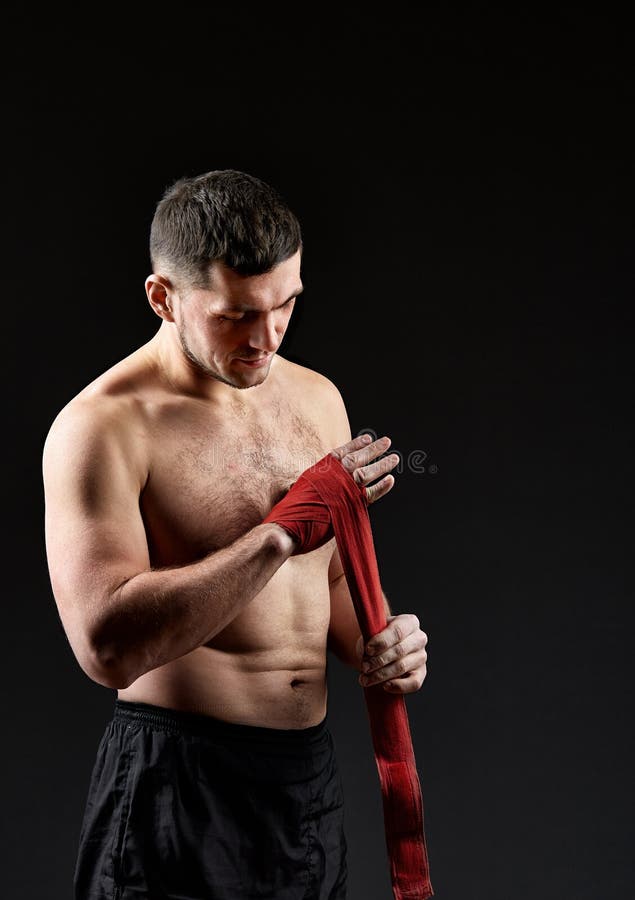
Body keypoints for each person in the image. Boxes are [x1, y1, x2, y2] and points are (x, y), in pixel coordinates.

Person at [42, 169, 429, 899]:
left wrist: (378, 645)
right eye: (236, 315)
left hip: (304, 787)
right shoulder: (103, 426)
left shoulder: (318, 398)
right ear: (163, 298)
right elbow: (105, 648)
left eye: (286, 305)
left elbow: (330, 580)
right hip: (177, 785)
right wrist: (274, 537)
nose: (267, 337)